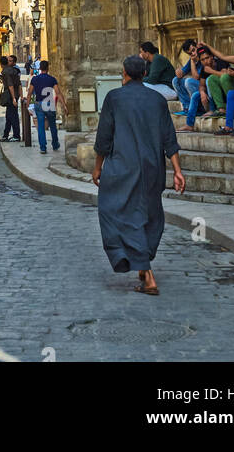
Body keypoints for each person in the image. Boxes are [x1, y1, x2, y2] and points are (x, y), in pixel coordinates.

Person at [91, 55, 186, 295]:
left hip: (122, 167)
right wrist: (177, 170)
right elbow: (169, 138)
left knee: (112, 210)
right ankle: (142, 267)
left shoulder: (114, 98)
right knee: (148, 214)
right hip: (152, 167)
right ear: (145, 74)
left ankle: (146, 272)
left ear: (124, 73)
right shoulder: (156, 99)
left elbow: (104, 136)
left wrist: (97, 166)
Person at [177, 43, 231, 131]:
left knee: (209, 80)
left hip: (224, 94)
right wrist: (202, 92)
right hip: (211, 94)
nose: (206, 61)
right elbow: (201, 85)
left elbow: (225, 76)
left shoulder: (220, 62)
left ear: (212, 57)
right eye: (202, 60)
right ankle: (189, 124)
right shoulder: (204, 68)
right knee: (195, 95)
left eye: (207, 58)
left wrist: (211, 71)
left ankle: (213, 109)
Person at [26, 59, 66, 153]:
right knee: (52, 125)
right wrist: (64, 105)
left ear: (40, 68)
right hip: (49, 104)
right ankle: (55, 144)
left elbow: (29, 93)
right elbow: (58, 92)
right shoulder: (52, 79)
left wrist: (28, 106)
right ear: (48, 68)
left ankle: (43, 148)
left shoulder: (35, 79)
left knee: (40, 126)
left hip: (39, 103)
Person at [172, 40, 201, 112]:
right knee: (175, 80)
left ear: (197, 46)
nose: (193, 53)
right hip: (197, 87)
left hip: (204, 87)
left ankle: (197, 107)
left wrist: (192, 61)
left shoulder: (203, 56)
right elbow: (181, 74)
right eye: (190, 53)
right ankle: (187, 107)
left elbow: (196, 77)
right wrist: (178, 72)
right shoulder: (193, 58)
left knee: (189, 82)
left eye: (194, 50)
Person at [0, 55, 21, 141]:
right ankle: (5, 135)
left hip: (11, 97)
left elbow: (10, 85)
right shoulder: (14, 70)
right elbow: (19, 84)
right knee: (9, 117)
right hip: (14, 96)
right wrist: (20, 96)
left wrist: (13, 98)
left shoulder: (6, 72)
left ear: (1, 64)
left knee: (13, 117)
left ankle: (16, 136)